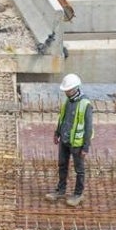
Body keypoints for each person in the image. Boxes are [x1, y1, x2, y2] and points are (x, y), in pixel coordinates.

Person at [44, 74, 93, 207]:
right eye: (65, 90)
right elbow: (63, 118)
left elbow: (89, 128)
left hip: (77, 143)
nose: (66, 92)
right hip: (65, 140)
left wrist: (85, 147)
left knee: (79, 170)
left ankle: (78, 194)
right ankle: (61, 190)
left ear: (76, 88)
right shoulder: (68, 101)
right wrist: (57, 132)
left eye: (68, 90)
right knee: (62, 165)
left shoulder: (85, 104)